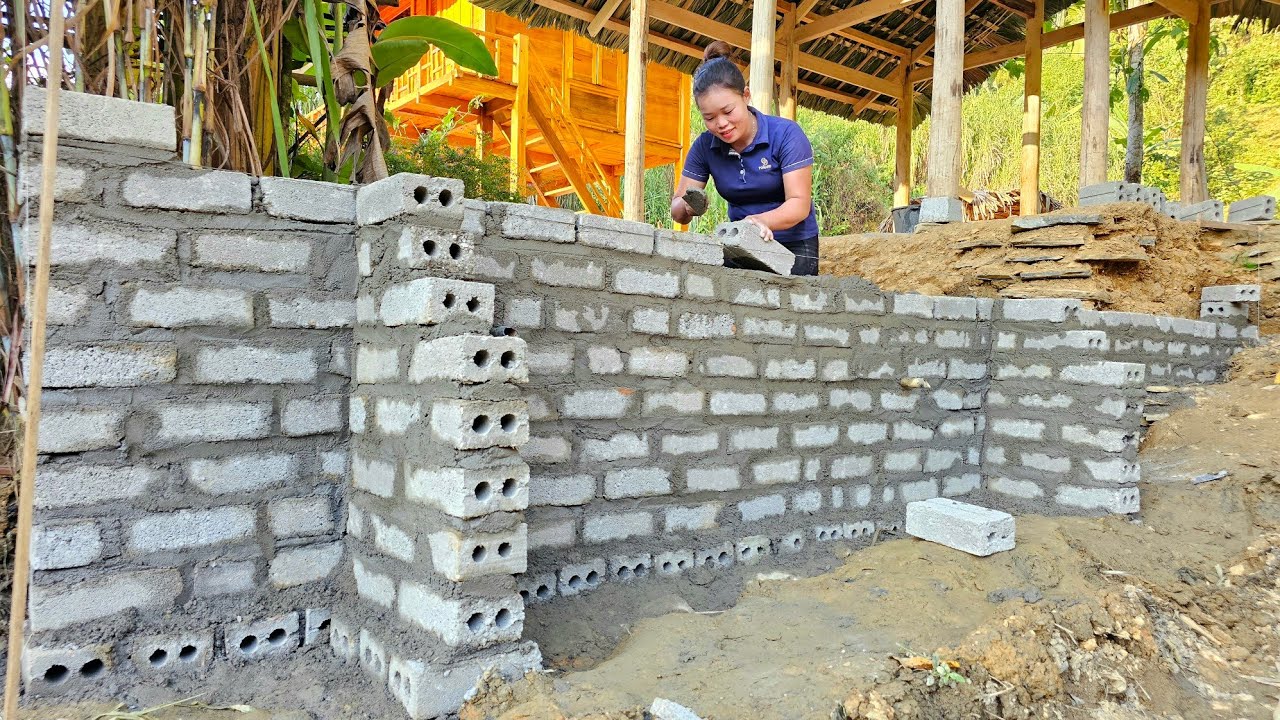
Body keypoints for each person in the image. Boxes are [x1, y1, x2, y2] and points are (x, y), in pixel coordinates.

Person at [670, 41, 820, 276]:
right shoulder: (704, 147)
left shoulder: (786, 135)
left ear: (746, 95)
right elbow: (678, 211)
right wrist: (688, 206)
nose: (721, 124)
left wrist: (758, 221)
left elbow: (799, 205)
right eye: (709, 118)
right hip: (741, 245)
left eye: (728, 112)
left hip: (794, 244)